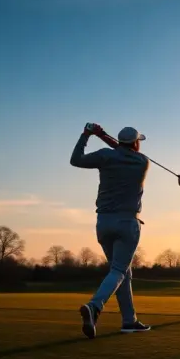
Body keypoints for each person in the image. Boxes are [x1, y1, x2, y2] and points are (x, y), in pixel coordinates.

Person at [70, 123, 152, 338]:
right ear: (136, 143)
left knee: (122, 271)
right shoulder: (142, 162)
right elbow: (123, 150)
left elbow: (76, 160)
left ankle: (129, 321)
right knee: (119, 271)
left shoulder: (106, 156)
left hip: (103, 223)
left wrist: (88, 134)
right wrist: (103, 135)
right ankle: (95, 306)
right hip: (127, 223)